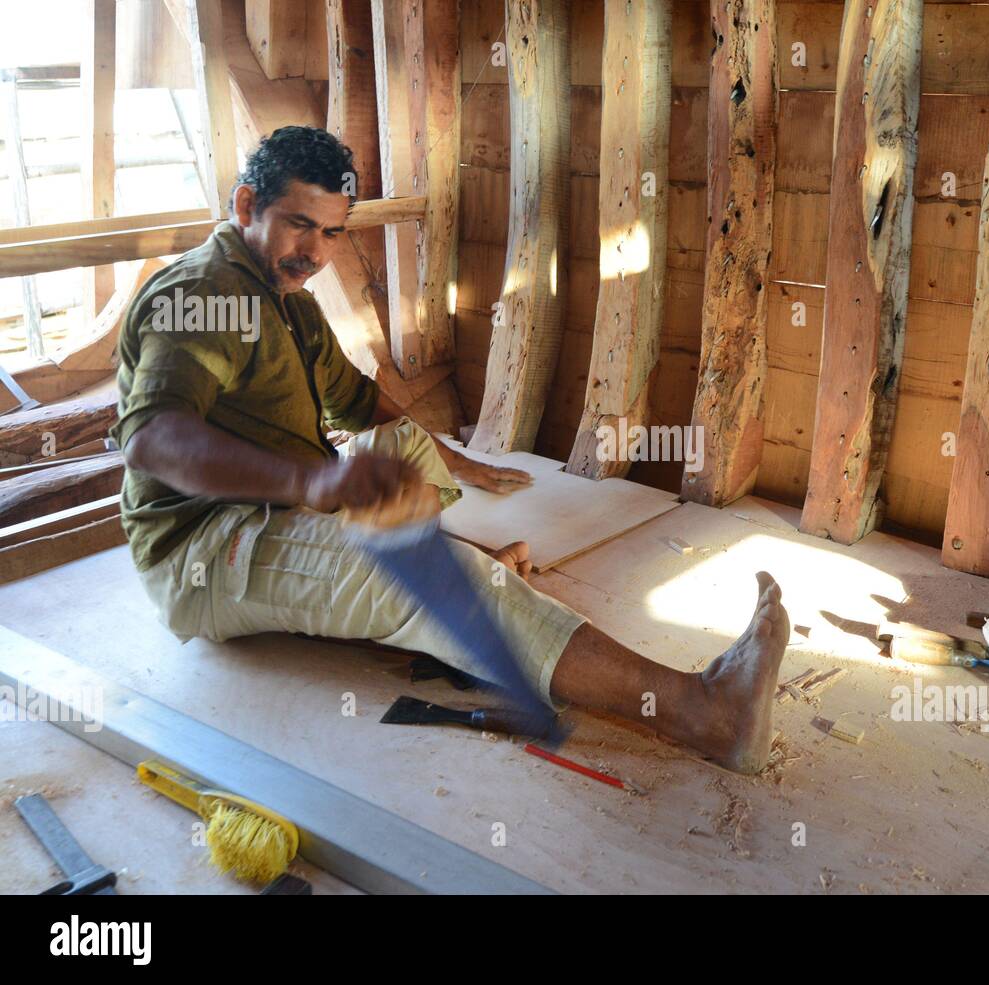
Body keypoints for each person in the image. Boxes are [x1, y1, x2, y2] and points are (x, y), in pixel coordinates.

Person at [113, 126, 789, 774]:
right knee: (445, 582)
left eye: (331, 232)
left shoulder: (285, 297)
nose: (315, 252)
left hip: (277, 507)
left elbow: (359, 402)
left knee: (401, 443)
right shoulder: (203, 293)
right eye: (298, 224)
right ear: (245, 206)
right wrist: (314, 483)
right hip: (204, 549)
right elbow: (152, 438)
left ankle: (461, 578)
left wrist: (461, 462)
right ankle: (708, 714)